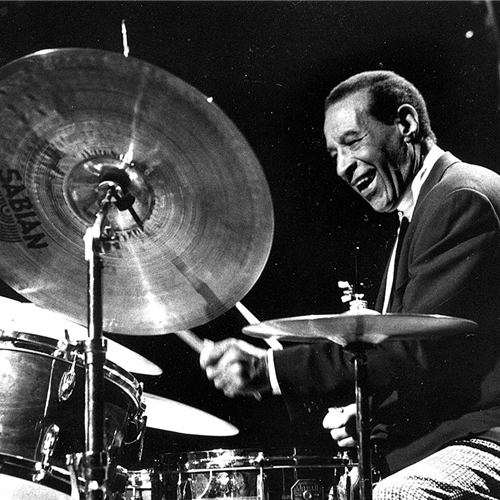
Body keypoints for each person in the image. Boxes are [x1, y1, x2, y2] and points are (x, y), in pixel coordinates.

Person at [200, 70, 500, 499]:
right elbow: (441, 365)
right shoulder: (423, 208)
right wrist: (373, 415)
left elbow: (412, 350)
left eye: (353, 142)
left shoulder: (459, 198)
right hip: (458, 428)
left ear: (406, 124)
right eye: (333, 153)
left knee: (396, 494)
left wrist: (268, 369)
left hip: (488, 435)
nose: (342, 167)